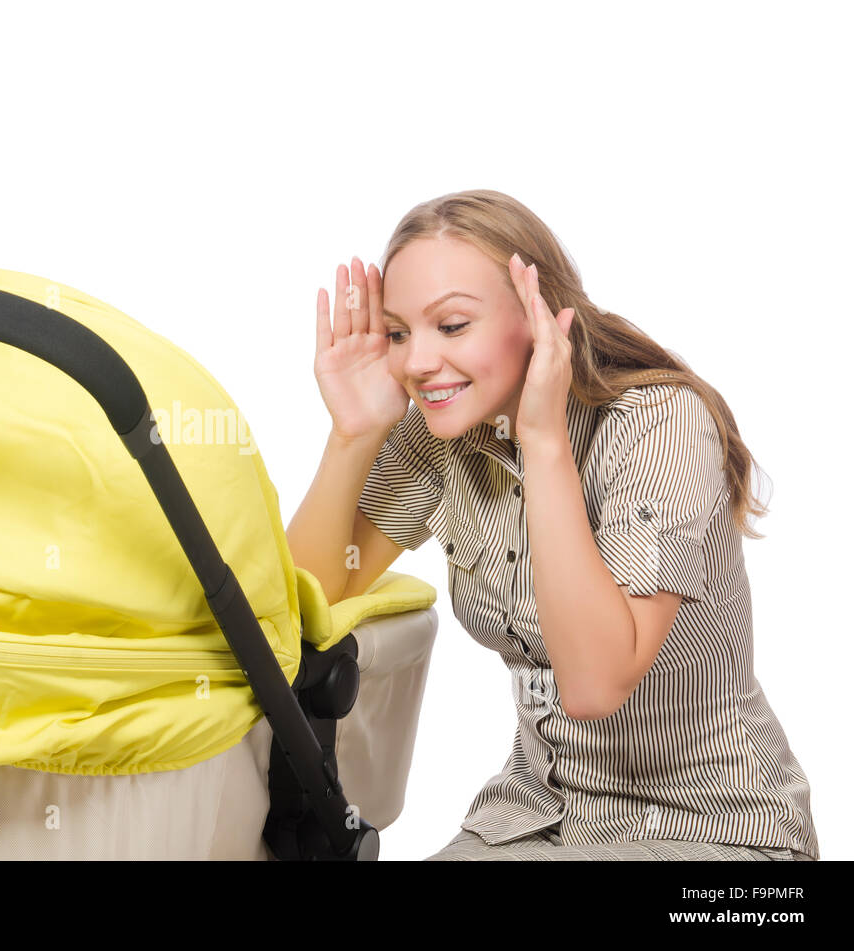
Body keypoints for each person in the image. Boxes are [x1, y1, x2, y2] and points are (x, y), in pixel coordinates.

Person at [285, 189, 819, 861]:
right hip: (531, 820)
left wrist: (544, 446)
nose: (417, 361)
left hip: (713, 833)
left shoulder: (660, 426)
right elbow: (300, 605)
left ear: (540, 319)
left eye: (451, 326)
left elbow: (595, 685)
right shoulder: (443, 433)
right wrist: (353, 433)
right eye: (398, 333)